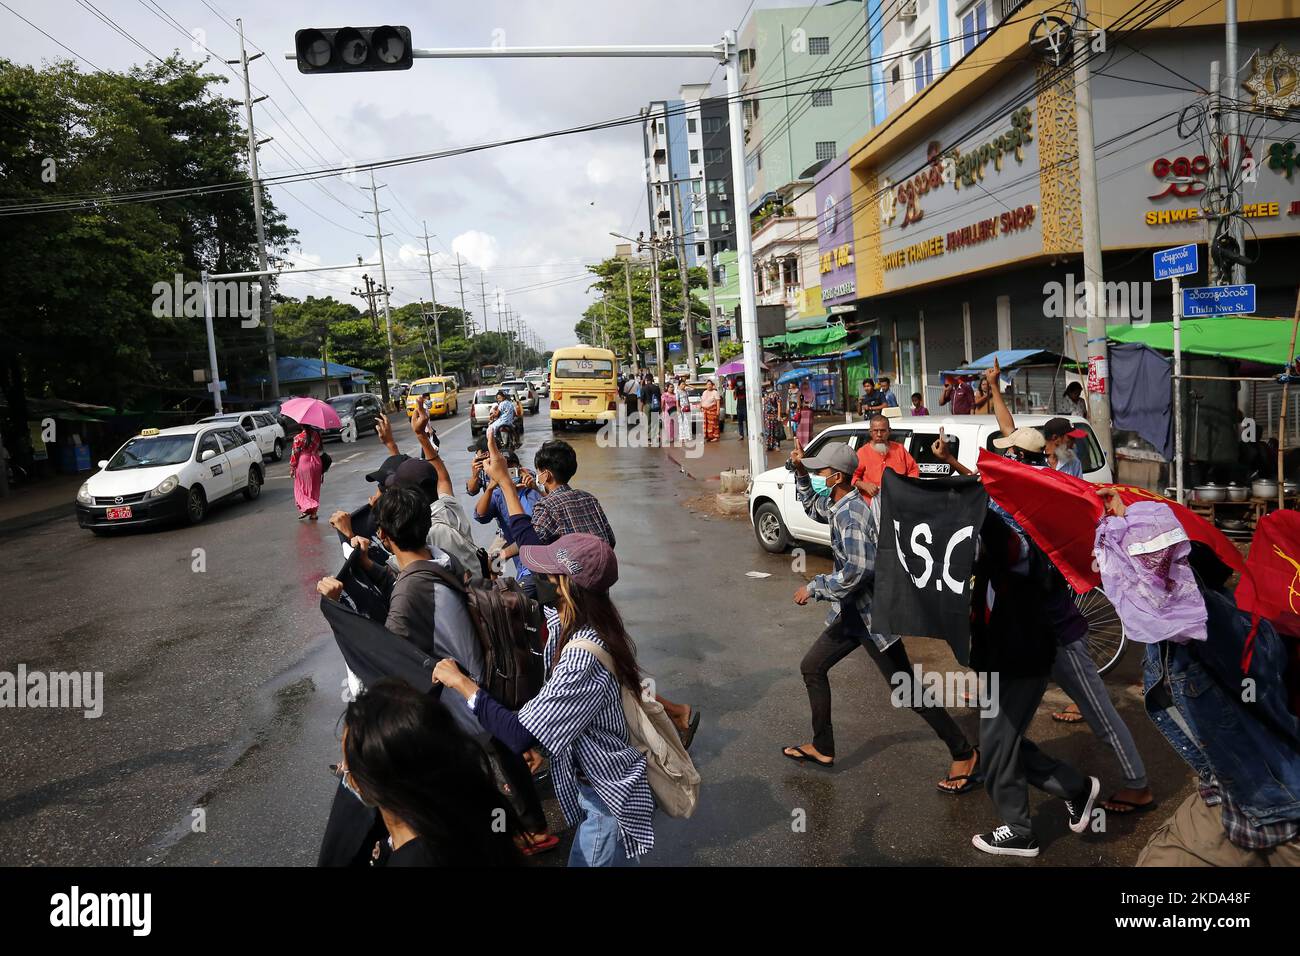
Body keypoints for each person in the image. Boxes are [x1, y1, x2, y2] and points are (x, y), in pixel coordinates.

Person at [434, 532, 656, 866]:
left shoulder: (582, 656)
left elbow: (517, 733)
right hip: (594, 783)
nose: (535, 577)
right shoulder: (580, 621)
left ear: (566, 586)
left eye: (545, 573)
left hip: (607, 797)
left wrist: (463, 684)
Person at [781, 442, 980, 793]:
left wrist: (816, 586)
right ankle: (823, 747)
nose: (816, 477)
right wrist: (799, 473)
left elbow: (861, 568)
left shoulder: (852, 514)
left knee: (906, 690)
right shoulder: (838, 502)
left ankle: (964, 752)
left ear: (837, 477)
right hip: (852, 615)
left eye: (819, 472)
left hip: (873, 619)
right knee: (812, 667)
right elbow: (813, 507)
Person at [339, 679, 521, 867]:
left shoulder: (415, 858)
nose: (344, 773)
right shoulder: (476, 811)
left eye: (348, 765)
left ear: (375, 783)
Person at [470, 448, 542, 595]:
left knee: (522, 598)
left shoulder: (533, 486)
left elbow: (540, 529)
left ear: (519, 467)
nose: (508, 470)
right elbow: (480, 516)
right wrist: (490, 488)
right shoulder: (497, 494)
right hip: (517, 554)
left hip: (539, 559)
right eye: (504, 467)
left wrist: (535, 487)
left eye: (511, 466)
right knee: (489, 564)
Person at [526, 438, 617, 548]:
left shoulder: (545, 506)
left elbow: (531, 544)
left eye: (538, 471)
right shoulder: (589, 498)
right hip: (603, 563)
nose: (537, 476)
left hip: (571, 565)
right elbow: (611, 540)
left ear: (546, 475)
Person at [851, 414, 919, 501]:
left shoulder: (899, 449)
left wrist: (906, 485)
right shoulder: (862, 453)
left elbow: (913, 470)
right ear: (870, 432)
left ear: (889, 431)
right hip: (871, 505)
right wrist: (865, 485)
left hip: (898, 502)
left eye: (883, 431)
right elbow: (852, 477)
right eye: (876, 431)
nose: (879, 434)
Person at [290, 423, 324, 520]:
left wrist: (292, 468)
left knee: (301, 488)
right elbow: (320, 448)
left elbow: (295, 454)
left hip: (304, 462)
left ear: (301, 425)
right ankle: (313, 513)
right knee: (314, 487)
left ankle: (306, 508)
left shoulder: (298, 437)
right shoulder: (317, 434)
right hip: (316, 462)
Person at [763, 382, 784, 451]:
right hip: (766, 416)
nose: (767, 387)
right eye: (766, 386)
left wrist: (779, 415)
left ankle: (776, 445)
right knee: (767, 431)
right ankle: (768, 445)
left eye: (768, 386)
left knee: (775, 431)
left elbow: (779, 404)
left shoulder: (776, 394)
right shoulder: (764, 394)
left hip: (774, 415)